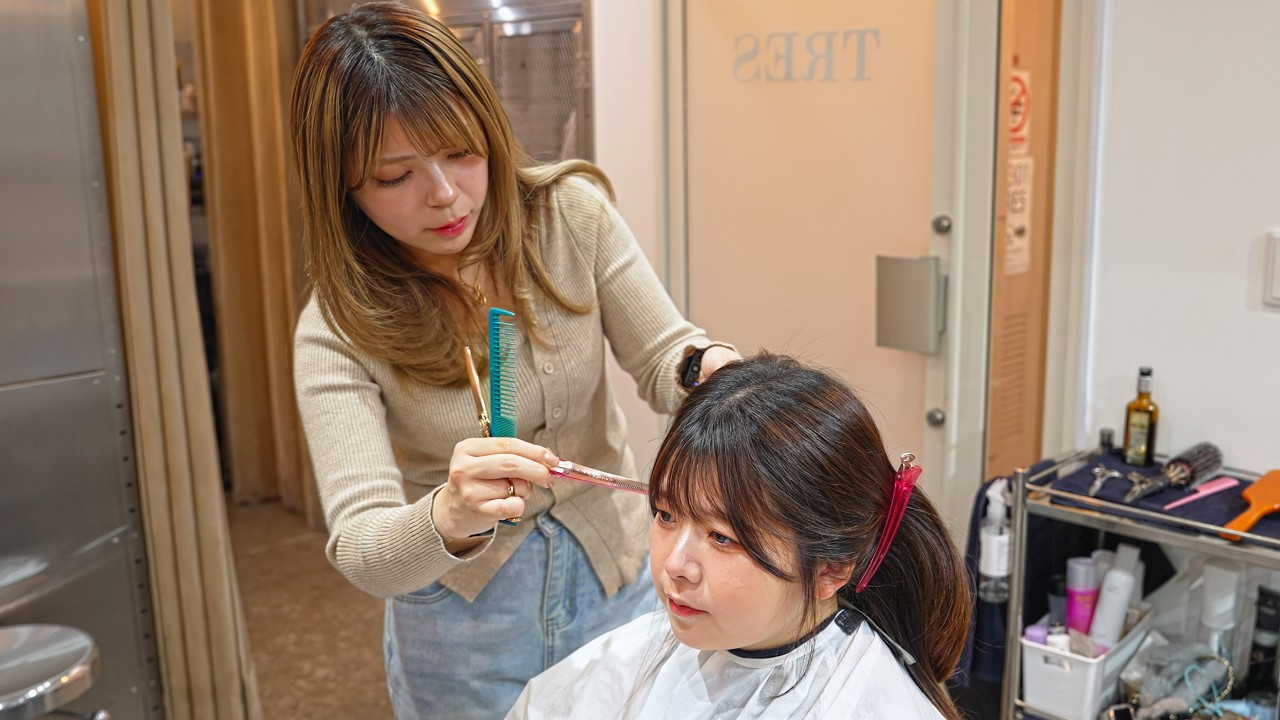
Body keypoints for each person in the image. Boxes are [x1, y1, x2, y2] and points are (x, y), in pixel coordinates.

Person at [288, 4, 739, 718]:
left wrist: (706, 367)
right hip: (461, 622)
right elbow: (361, 546)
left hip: (612, 574)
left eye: (462, 152)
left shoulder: (570, 217)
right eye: (393, 176)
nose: (443, 194)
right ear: (342, 191)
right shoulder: (337, 329)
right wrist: (450, 512)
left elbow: (664, 356)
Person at [507, 353, 972, 719]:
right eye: (667, 514)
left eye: (722, 538)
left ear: (831, 568)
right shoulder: (632, 658)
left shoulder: (873, 703)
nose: (674, 565)